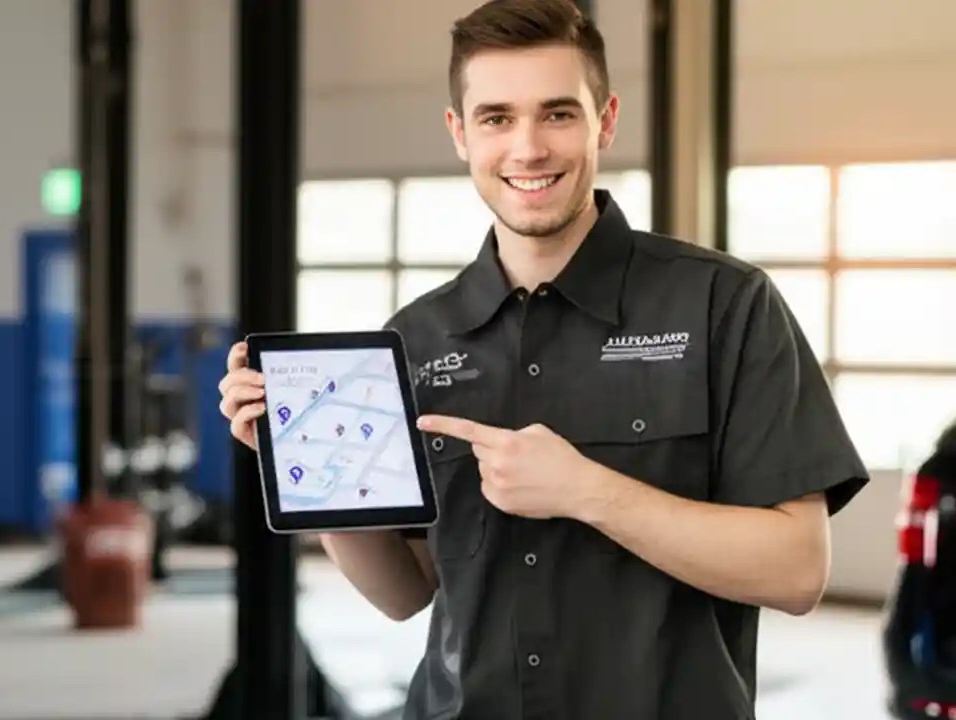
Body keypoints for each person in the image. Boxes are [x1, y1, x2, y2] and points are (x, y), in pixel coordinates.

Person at [217, 0, 869, 717]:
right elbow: (404, 593)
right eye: (497, 118)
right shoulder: (417, 336)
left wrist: (587, 491)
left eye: (558, 114)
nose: (528, 149)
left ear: (606, 119)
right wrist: (310, 467)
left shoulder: (723, 304)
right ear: (459, 134)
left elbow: (797, 571)